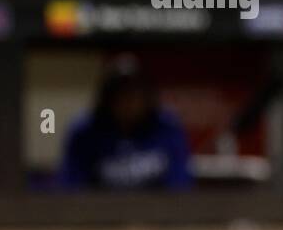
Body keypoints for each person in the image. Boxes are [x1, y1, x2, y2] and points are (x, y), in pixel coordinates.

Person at [60, 58, 193, 190]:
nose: (129, 103)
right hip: (99, 210)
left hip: (157, 210)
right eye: (121, 95)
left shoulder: (168, 128)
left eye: (135, 95)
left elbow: (180, 187)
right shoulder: (85, 132)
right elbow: (72, 189)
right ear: (107, 100)